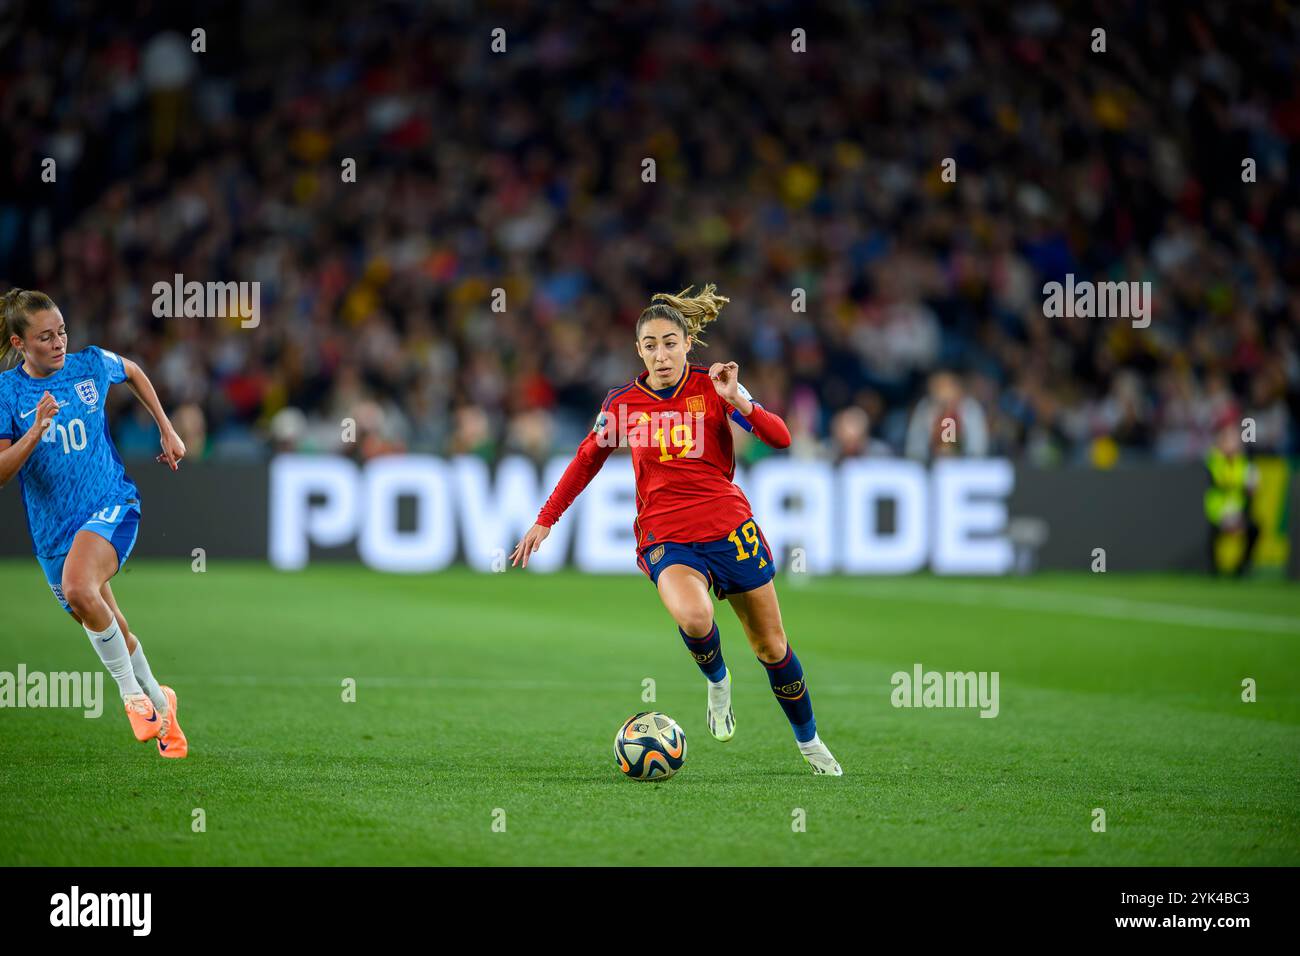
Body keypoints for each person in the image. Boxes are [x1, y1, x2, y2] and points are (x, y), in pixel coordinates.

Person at [511, 285, 842, 775]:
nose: (661, 354)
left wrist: (741, 404)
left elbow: (781, 438)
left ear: (688, 343)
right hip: (666, 536)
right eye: (650, 345)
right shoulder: (623, 404)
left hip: (731, 530)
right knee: (693, 615)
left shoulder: (717, 385)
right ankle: (717, 678)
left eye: (670, 342)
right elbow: (586, 461)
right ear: (638, 350)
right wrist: (545, 519)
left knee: (772, 646)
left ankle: (810, 741)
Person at [0, 289, 189, 757]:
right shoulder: (7, 392)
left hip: (111, 503)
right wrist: (34, 432)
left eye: (62, 331)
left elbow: (134, 371)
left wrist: (166, 427)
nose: (59, 342)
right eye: (45, 337)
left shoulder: (89, 364)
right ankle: (162, 706)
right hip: (53, 533)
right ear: (19, 343)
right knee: (104, 619)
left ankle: (132, 700)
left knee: (82, 589)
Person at [1204, 416, 1259, 577]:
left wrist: (1252, 485)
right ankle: (1213, 570)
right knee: (1210, 533)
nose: (1232, 443)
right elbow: (1219, 481)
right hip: (1217, 513)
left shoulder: (1245, 463)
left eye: (1235, 439)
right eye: (1228, 439)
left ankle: (1242, 567)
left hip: (1238, 513)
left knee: (1254, 528)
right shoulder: (1213, 460)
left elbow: (1251, 491)